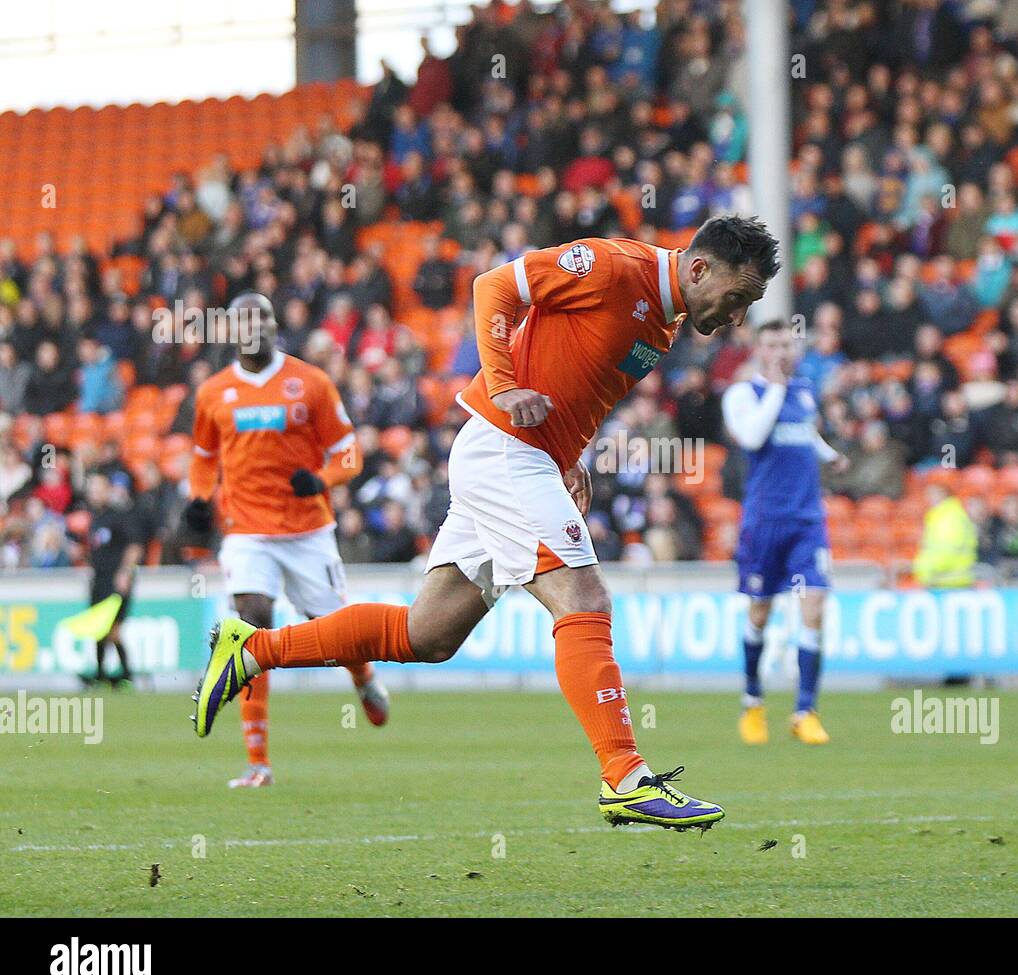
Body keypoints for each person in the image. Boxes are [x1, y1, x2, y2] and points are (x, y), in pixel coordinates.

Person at [192, 215, 781, 830]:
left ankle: (253, 648)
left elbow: (575, 374)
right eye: (738, 298)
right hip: (505, 450)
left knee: (428, 635)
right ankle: (625, 777)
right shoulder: (609, 267)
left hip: (523, 457)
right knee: (583, 596)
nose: (737, 316)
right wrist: (501, 387)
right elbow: (493, 286)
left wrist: (570, 453)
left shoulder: (666, 318)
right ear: (699, 268)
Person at [183, 292, 390, 789]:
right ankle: (259, 762)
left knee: (335, 632)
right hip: (247, 532)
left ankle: (363, 678)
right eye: (243, 321)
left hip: (307, 532)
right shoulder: (213, 393)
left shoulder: (311, 383)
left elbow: (349, 453)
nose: (253, 328)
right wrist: (196, 496)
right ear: (230, 331)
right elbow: (203, 455)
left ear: (276, 326)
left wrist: (322, 481)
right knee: (250, 629)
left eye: (263, 318)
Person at [722, 321, 846, 746]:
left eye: (786, 345)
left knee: (814, 607)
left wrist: (830, 456)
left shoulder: (804, 392)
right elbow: (753, 437)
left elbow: (804, 433)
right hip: (763, 521)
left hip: (807, 520)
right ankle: (753, 700)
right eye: (772, 344)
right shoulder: (743, 395)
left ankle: (805, 710)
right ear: (758, 349)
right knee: (760, 612)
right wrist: (774, 387)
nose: (780, 352)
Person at [82, 472, 143, 688]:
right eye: (91, 490)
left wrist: (125, 572)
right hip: (99, 579)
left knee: (112, 626)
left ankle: (126, 674)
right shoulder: (96, 518)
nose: (93, 494)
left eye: (97, 489)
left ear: (108, 490)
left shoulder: (120, 515)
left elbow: (135, 545)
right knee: (100, 626)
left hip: (115, 579)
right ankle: (101, 673)